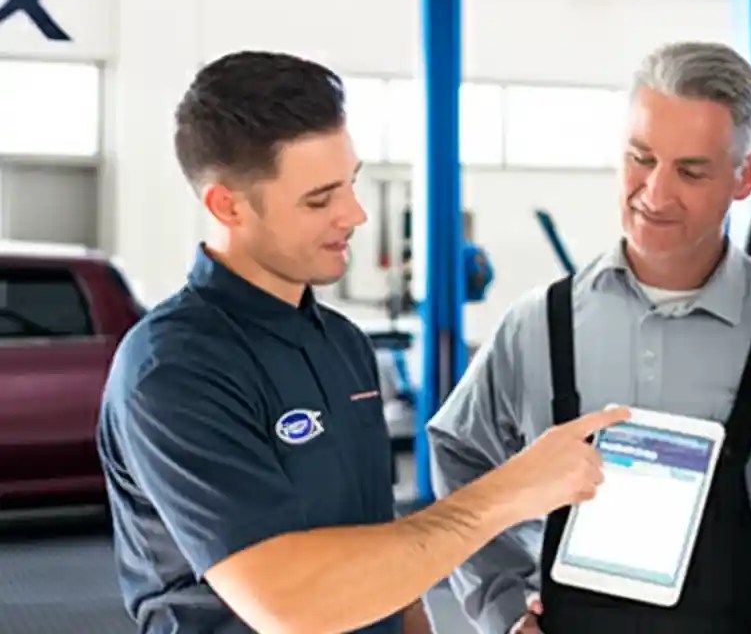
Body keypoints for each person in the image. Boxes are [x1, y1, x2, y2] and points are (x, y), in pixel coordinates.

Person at [95, 51, 630, 634]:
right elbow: (289, 605)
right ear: (228, 205)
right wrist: (509, 493)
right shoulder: (174, 369)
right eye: (320, 199)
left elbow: (386, 558)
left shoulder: (343, 344)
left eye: (350, 183)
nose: (353, 214)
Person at [427, 41, 751, 634]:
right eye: (640, 158)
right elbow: (458, 452)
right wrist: (501, 604)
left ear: (746, 175)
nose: (654, 193)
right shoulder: (536, 328)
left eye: (691, 171)